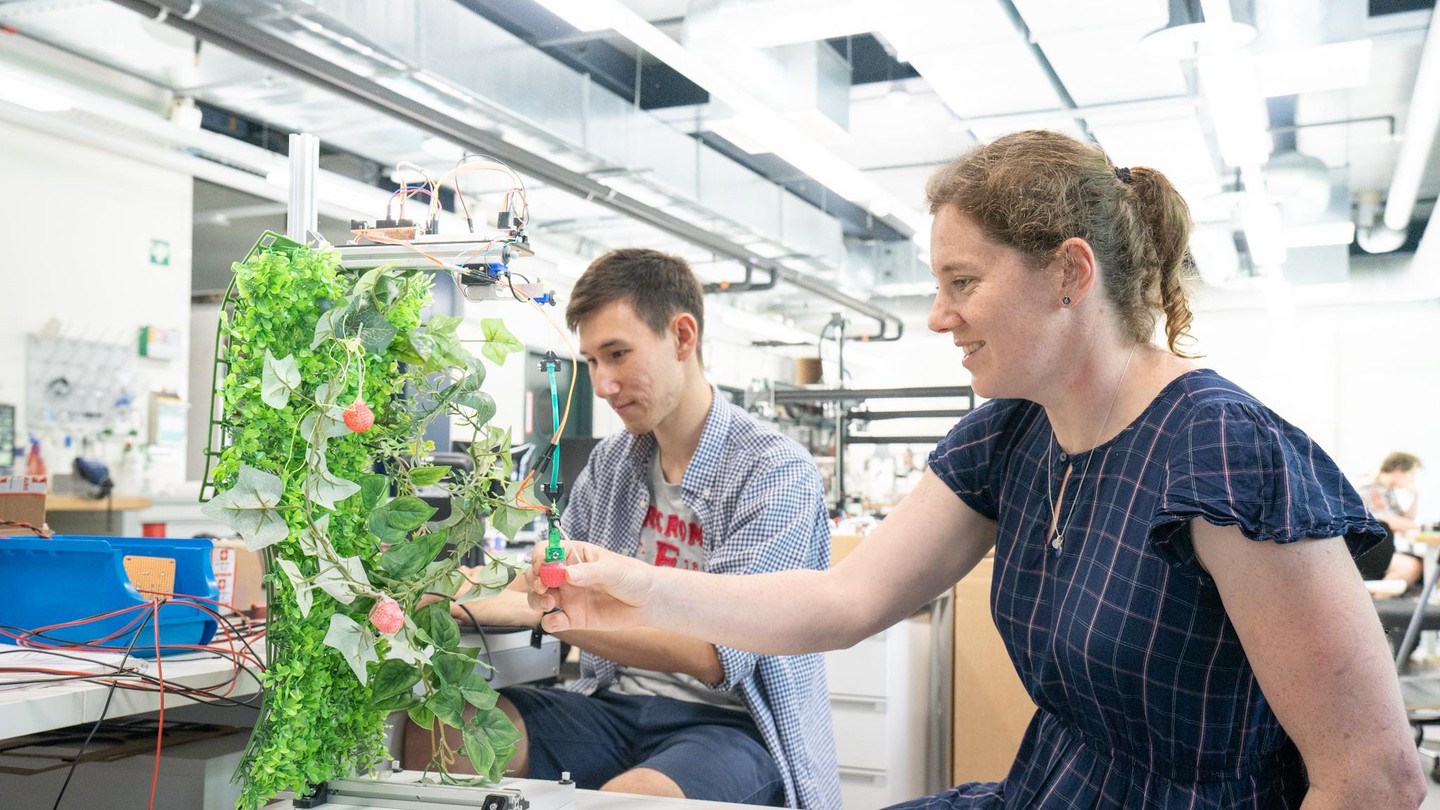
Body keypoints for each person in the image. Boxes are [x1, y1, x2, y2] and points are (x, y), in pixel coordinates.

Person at [525, 131, 1426, 809]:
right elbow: (839, 604)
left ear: (1070, 274)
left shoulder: (1226, 453)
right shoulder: (1012, 434)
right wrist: (638, 586)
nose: (937, 316)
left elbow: (1374, 778)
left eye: (962, 283)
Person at [405, 248, 840, 808]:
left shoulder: (773, 471)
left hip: (730, 725)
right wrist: (447, 587)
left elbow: (718, 652)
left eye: (618, 354)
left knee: (631, 799)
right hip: (613, 704)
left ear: (682, 337)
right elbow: (549, 578)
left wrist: (542, 613)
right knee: (445, 730)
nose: (603, 383)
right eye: (590, 360)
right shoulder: (611, 465)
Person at [1356, 452, 1424, 588]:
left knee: (1422, 563)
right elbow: (1388, 521)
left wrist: (1416, 496)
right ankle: (1377, 602)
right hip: (1368, 553)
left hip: (1381, 549)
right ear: (1399, 471)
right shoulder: (1371, 489)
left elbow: (1405, 520)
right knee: (1410, 566)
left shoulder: (1388, 492)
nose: (1412, 479)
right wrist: (1416, 527)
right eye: (1412, 474)